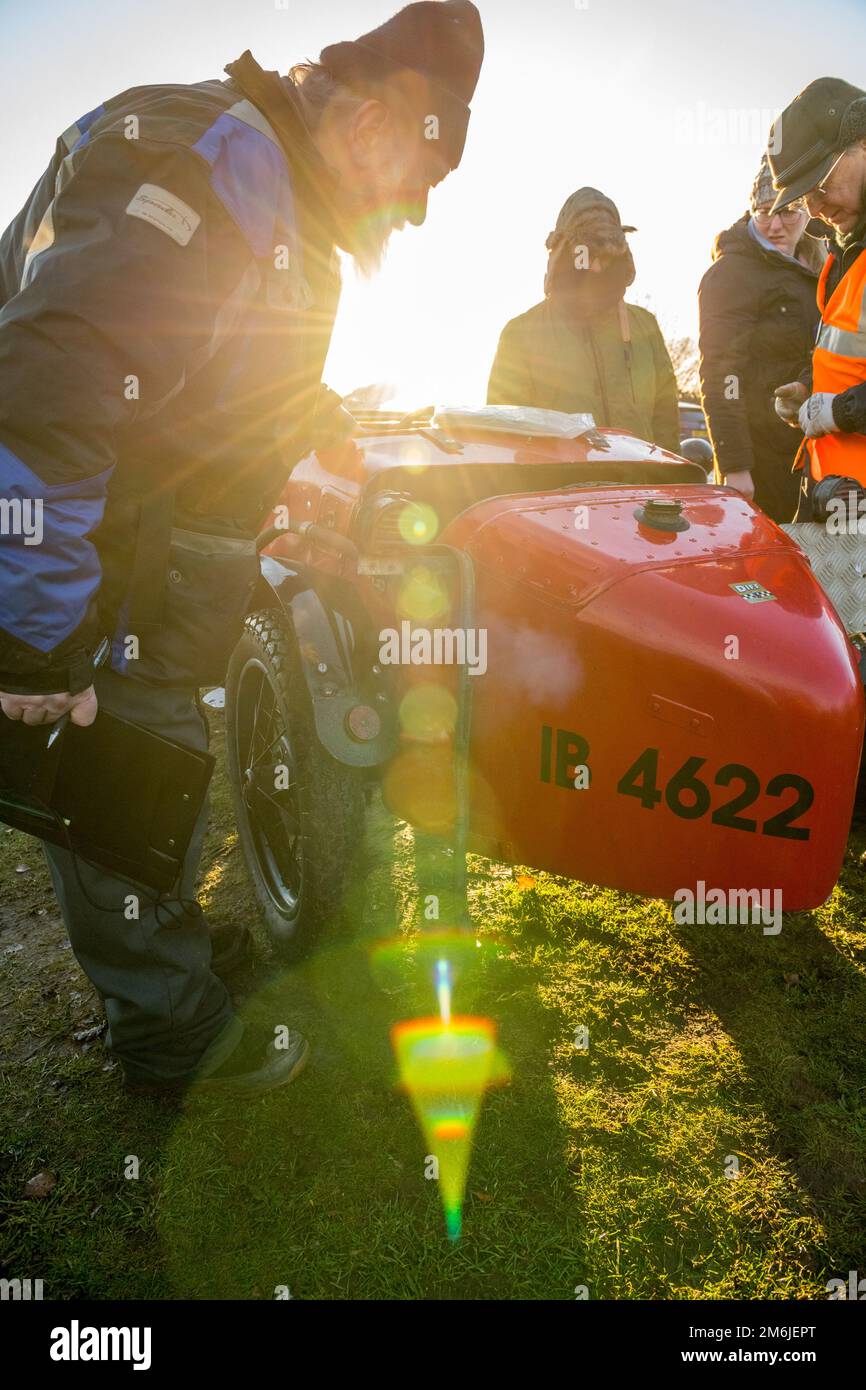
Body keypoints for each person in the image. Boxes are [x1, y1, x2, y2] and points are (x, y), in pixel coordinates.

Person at [0, 1, 485, 1095]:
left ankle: (164, 940)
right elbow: (47, 390)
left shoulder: (282, 195)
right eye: (416, 184)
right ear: (371, 121)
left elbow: (209, 360)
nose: (408, 217)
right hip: (103, 566)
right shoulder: (206, 161)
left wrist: (305, 408)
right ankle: (168, 1030)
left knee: (163, 754)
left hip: (162, 574)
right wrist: (33, 639)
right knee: (116, 765)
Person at [487, 188, 680, 452]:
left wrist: (670, 485)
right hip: (560, 492)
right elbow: (505, 438)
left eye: (606, 254)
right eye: (588, 253)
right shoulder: (521, 334)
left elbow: (666, 422)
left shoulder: (645, 326)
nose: (597, 267)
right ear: (564, 255)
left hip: (640, 490)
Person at [697, 155, 825, 521]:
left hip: (812, 454)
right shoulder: (732, 274)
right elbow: (720, 373)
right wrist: (735, 466)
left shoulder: (819, 268)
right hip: (761, 462)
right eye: (765, 211)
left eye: (789, 212)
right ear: (751, 210)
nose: (776, 225)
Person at [767, 77, 866, 514]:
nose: (814, 209)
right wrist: (810, 391)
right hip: (837, 499)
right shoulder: (843, 253)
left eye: (819, 185)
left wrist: (839, 412)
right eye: (804, 195)